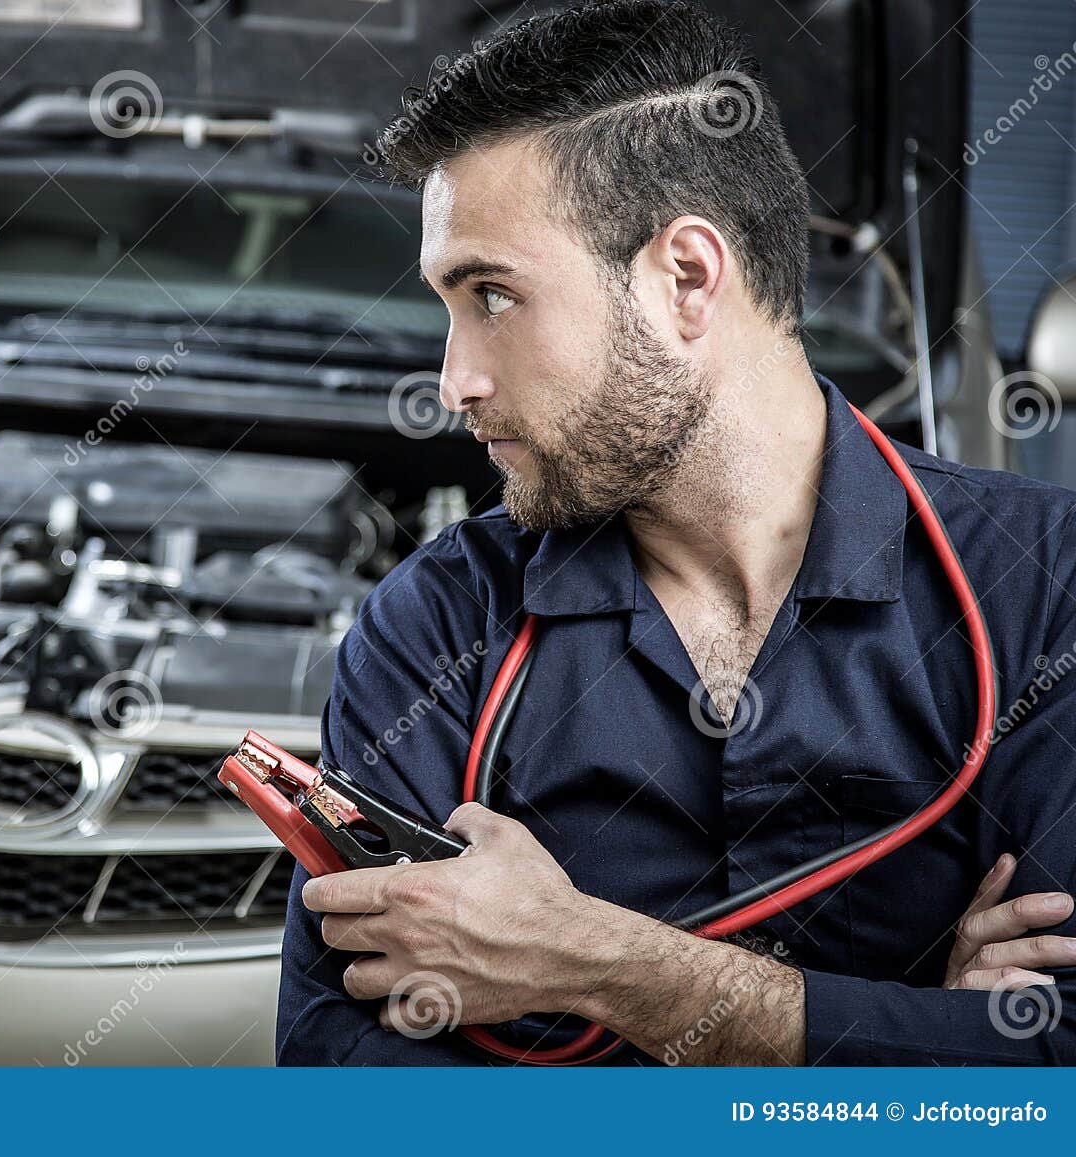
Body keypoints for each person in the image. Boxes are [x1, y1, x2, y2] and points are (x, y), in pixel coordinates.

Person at [278, 0, 1076, 1065]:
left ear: (687, 277)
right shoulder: (434, 627)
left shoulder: (1041, 585)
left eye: (494, 295)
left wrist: (586, 960)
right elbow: (353, 1087)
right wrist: (907, 1036)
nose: (452, 381)